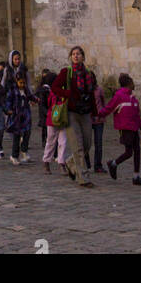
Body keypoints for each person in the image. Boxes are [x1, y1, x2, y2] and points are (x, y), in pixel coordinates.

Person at [51, 46, 98, 187]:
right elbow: (54, 87)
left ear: (83, 56)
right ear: (71, 57)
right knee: (77, 146)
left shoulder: (89, 74)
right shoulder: (67, 72)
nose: (76, 56)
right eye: (73, 54)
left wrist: (95, 113)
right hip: (71, 112)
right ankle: (83, 178)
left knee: (87, 144)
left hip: (85, 112)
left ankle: (71, 162)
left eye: (78, 54)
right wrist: (68, 94)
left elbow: (92, 95)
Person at [99, 73, 141, 186]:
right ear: (128, 84)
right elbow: (109, 108)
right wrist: (97, 114)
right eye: (132, 82)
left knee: (137, 151)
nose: (134, 84)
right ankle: (113, 163)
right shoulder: (119, 96)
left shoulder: (133, 98)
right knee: (129, 152)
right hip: (125, 128)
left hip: (134, 128)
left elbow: (137, 116)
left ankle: (136, 176)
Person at [5, 73, 38, 164]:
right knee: (17, 136)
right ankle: (14, 156)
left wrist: (36, 99)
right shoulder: (12, 90)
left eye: (24, 83)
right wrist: (8, 110)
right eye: (21, 83)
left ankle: (24, 151)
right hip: (16, 116)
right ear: (17, 81)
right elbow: (8, 101)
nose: (22, 85)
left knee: (27, 133)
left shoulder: (26, 90)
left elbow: (31, 96)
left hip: (25, 114)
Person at [42, 83, 72, 177]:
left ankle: (61, 162)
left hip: (63, 120)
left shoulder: (67, 93)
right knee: (51, 142)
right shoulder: (53, 93)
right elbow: (49, 103)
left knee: (63, 142)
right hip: (53, 119)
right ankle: (46, 161)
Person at [88, 79, 107, 173]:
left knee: (98, 143)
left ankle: (98, 165)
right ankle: (86, 164)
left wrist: (102, 114)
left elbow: (103, 102)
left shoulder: (99, 89)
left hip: (98, 119)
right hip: (87, 119)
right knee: (85, 143)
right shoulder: (84, 90)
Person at [36, 68, 54, 151]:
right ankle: (44, 140)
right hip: (44, 111)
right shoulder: (43, 89)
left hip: (50, 111)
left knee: (48, 127)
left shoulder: (51, 89)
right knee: (44, 126)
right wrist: (47, 112)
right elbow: (42, 103)